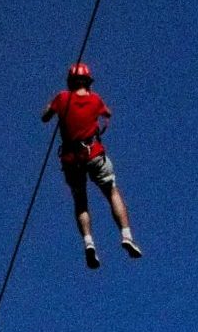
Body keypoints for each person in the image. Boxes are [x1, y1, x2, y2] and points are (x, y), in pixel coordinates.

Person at [42, 61, 142, 269]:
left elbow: (44, 117)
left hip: (72, 159)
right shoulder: (95, 100)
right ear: (88, 82)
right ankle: (126, 235)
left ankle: (89, 242)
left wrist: (59, 111)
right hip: (93, 153)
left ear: (70, 82)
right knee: (112, 190)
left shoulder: (62, 98)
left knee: (80, 201)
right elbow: (108, 113)